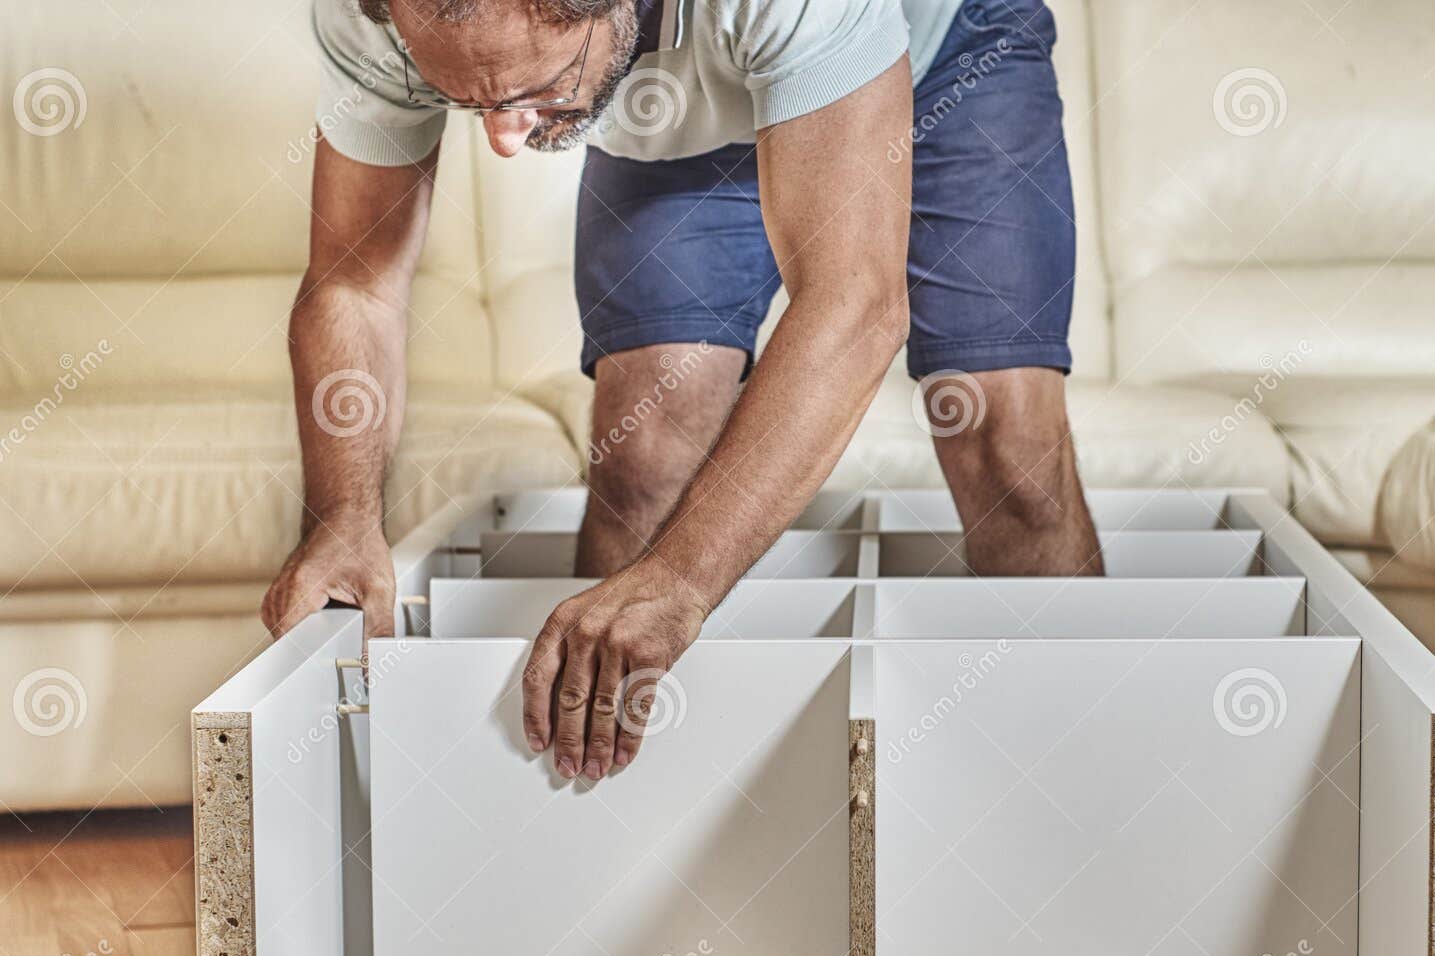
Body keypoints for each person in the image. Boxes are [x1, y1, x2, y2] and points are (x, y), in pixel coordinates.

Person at [261, 0, 1100, 782]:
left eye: (533, 94)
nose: (505, 142)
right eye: (470, 104)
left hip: (944, 53)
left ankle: (1074, 798)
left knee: (1005, 440)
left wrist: (683, 584)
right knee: (644, 455)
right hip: (683, 108)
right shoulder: (377, 12)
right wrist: (343, 518)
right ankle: (614, 868)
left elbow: (853, 304)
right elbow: (354, 285)